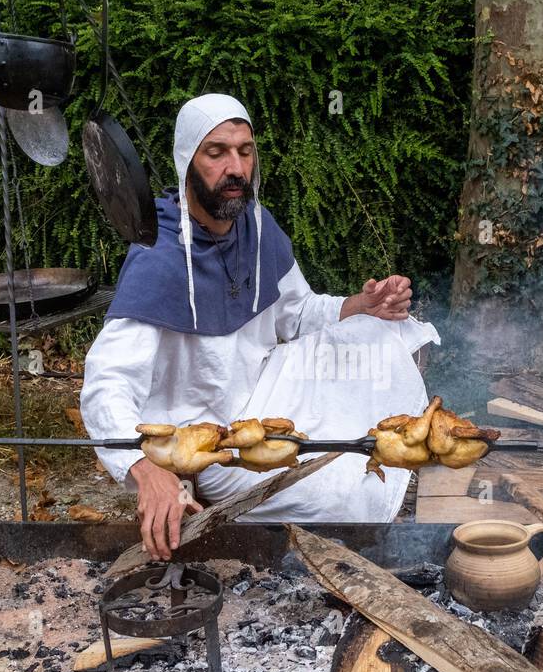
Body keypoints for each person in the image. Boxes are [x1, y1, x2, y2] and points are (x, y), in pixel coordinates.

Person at [80, 93, 439, 558]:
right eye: (217, 153)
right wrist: (144, 470)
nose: (236, 168)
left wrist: (362, 303)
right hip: (214, 441)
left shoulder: (257, 226)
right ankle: (228, 494)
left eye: (245, 151)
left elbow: (300, 314)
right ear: (187, 162)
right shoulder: (159, 258)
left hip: (272, 386)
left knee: (382, 335)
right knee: (340, 501)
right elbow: (106, 384)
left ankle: (369, 455)